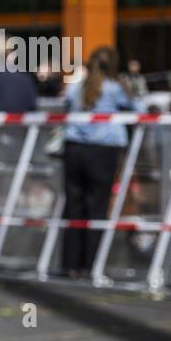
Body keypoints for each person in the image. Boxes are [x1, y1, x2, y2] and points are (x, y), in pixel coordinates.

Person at [60, 45, 138, 280]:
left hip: (74, 148)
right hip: (103, 150)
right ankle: (92, 265)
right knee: (97, 208)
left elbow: (65, 104)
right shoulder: (115, 88)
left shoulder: (76, 87)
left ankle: (70, 265)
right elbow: (139, 108)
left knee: (73, 207)